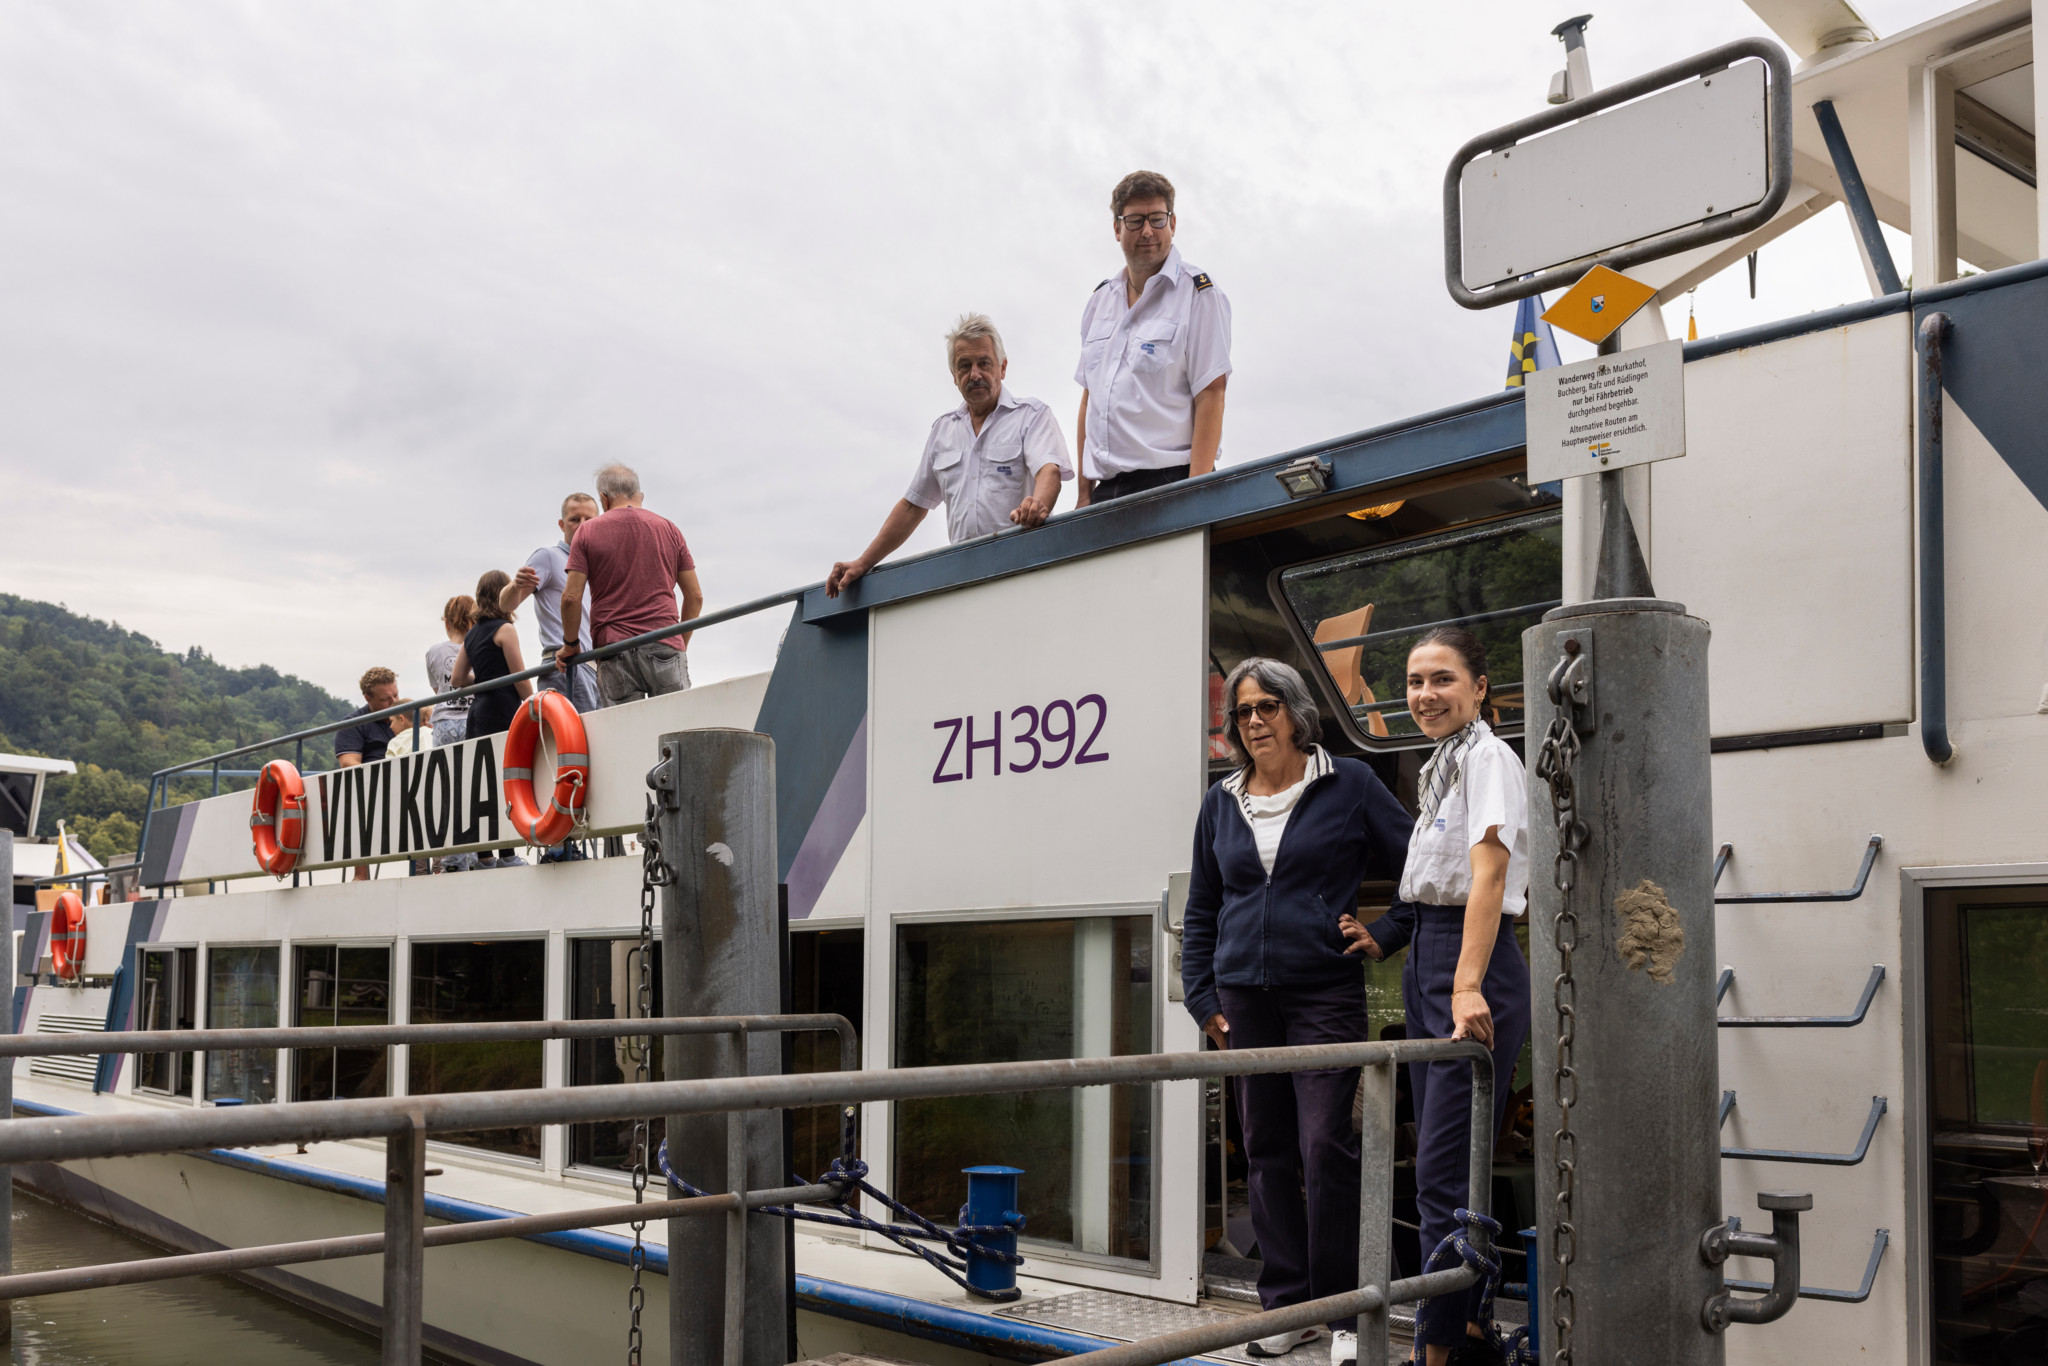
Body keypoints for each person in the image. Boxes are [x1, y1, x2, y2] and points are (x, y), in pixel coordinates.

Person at [1181, 657, 1416, 1366]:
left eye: (1268, 707)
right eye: (1243, 712)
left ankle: (1340, 1310)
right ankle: (1287, 1308)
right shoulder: (1220, 801)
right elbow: (1202, 908)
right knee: (1266, 1151)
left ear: (1295, 712)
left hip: (1324, 992)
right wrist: (1202, 998)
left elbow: (1421, 867)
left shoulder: (1349, 783)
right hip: (1243, 999)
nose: (1255, 721)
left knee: (1325, 1146)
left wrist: (1384, 933)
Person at [1340, 627, 1533, 1366]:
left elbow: (1489, 876)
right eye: (1415, 681)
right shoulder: (1442, 765)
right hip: (1430, 954)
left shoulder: (1487, 759)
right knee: (1450, 1165)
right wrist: (1400, 949)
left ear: (1479, 688)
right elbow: (1431, 886)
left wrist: (1465, 984)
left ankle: (1436, 1351)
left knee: (1441, 1174)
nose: (1425, 694)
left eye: (1442, 679)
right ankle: (1472, 1326)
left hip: (1467, 960)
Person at [825, 314, 1070, 597]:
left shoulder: (1032, 416)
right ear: (954, 376)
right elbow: (912, 507)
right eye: (964, 366)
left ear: (1002, 367)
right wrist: (863, 563)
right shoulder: (943, 431)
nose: (974, 374)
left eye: (984, 363)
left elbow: (1048, 471)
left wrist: (1038, 504)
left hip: (1024, 569)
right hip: (963, 579)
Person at [1073, 169, 1232, 506]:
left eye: (1157, 219)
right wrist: (1084, 495)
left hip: (1171, 485)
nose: (1147, 231)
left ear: (1172, 223)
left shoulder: (1199, 294)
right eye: (1134, 221)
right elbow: (1090, 400)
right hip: (1105, 495)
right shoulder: (1099, 303)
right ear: (1117, 229)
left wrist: (1195, 496)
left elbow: (1212, 395)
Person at [558, 463, 702, 703]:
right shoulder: (669, 529)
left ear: (604, 499)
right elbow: (695, 596)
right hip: (665, 641)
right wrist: (677, 641)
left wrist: (570, 645)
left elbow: (571, 598)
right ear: (639, 495)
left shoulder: (586, 532)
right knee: (674, 724)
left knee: (624, 727)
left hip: (614, 649)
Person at [450, 570, 533, 869]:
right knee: (506, 779)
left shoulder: (472, 633)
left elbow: (457, 679)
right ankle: (508, 855)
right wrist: (534, 701)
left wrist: (483, 680)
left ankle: (484, 857)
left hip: (478, 712)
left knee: (479, 784)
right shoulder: (505, 629)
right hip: (502, 709)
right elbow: (520, 679)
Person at [504, 492, 603, 711]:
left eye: (588, 520)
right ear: (562, 524)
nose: (582, 525)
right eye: (574, 519)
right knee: (574, 734)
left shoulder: (597, 567)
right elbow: (506, 606)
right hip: (566, 665)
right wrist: (515, 585)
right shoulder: (548, 557)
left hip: (597, 669)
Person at [425, 596, 476, 748]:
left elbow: (438, 690)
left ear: (447, 623)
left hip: (444, 720)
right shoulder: (479, 648)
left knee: (445, 763)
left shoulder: (434, 652)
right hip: (473, 717)